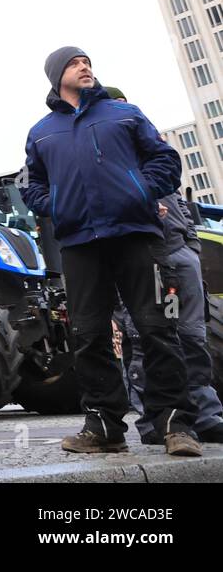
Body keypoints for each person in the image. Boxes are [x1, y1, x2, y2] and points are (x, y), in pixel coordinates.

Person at [22, 49, 202, 456]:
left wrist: (140, 193)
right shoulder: (41, 132)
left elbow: (165, 160)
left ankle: (176, 424)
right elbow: (30, 185)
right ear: (56, 76)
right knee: (88, 335)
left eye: (87, 61)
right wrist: (56, 206)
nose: (85, 67)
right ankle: (104, 426)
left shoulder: (125, 114)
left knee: (157, 327)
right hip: (80, 244)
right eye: (74, 63)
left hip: (135, 236)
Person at [102, 88, 223, 445]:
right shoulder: (107, 169)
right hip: (147, 265)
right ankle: (155, 421)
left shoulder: (154, 161)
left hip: (179, 262)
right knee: (149, 343)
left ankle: (204, 414)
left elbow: (183, 211)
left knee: (192, 339)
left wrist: (190, 248)